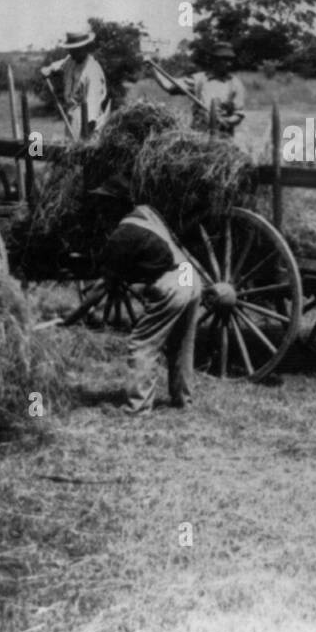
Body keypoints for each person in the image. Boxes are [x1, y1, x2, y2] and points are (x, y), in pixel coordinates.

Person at [89, 176, 200, 414]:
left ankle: (138, 408)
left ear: (117, 205)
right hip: (189, 275)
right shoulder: (146, 212)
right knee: (181, 344)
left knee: (142, 343)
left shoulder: (123, 235)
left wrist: (72, 317)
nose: (100, 210)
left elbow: (102, 287)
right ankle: (183, 401)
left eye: (104, 203)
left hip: (173, 281)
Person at [151, 42, 245, 137]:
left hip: (223, 137)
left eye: (230, 60)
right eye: (224, 59)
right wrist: (153, 67)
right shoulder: (199, 79)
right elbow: (169, 85)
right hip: (198, 136)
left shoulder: (235, 84)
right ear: (215, 60)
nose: (228, 63)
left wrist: (226, 121)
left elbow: (239, 114)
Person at [40, 29, 109, 140]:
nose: (70, 52)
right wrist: (48, 69)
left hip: (87, 122)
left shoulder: (92, 71)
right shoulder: (72, 60)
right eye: (70, 49)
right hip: (72, 117)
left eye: (74, 49)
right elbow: (61, 64)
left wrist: (85, 138)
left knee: (80, 152)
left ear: (84, 48)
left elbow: (92, 107)